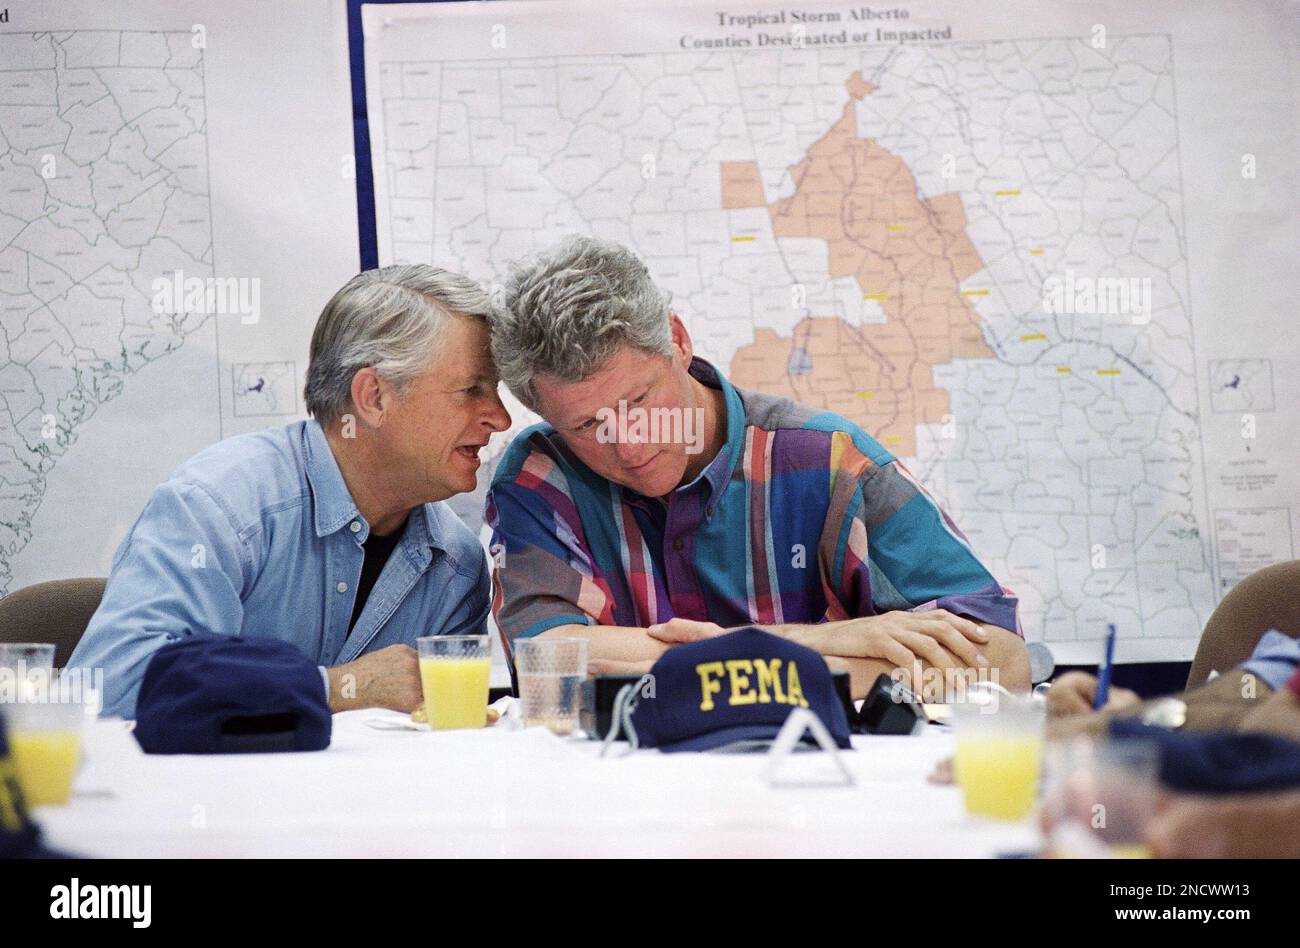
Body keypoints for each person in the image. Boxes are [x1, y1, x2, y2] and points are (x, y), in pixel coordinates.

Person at [485, 235, 1028, 698]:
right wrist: (810, 644)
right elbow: (546, 663)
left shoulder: (828, 460)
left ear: (676, 340)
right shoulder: (540, 476)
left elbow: (1001, 660)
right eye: (586, 426)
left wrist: (693, 666)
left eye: (639, 402)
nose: (628, 446)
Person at [66, 265, 511, 718]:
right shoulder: (218, 507)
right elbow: (110, 686)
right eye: (471, 390)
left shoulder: (457, 565)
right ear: (373, 398)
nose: (500, 418)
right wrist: (335, 689)